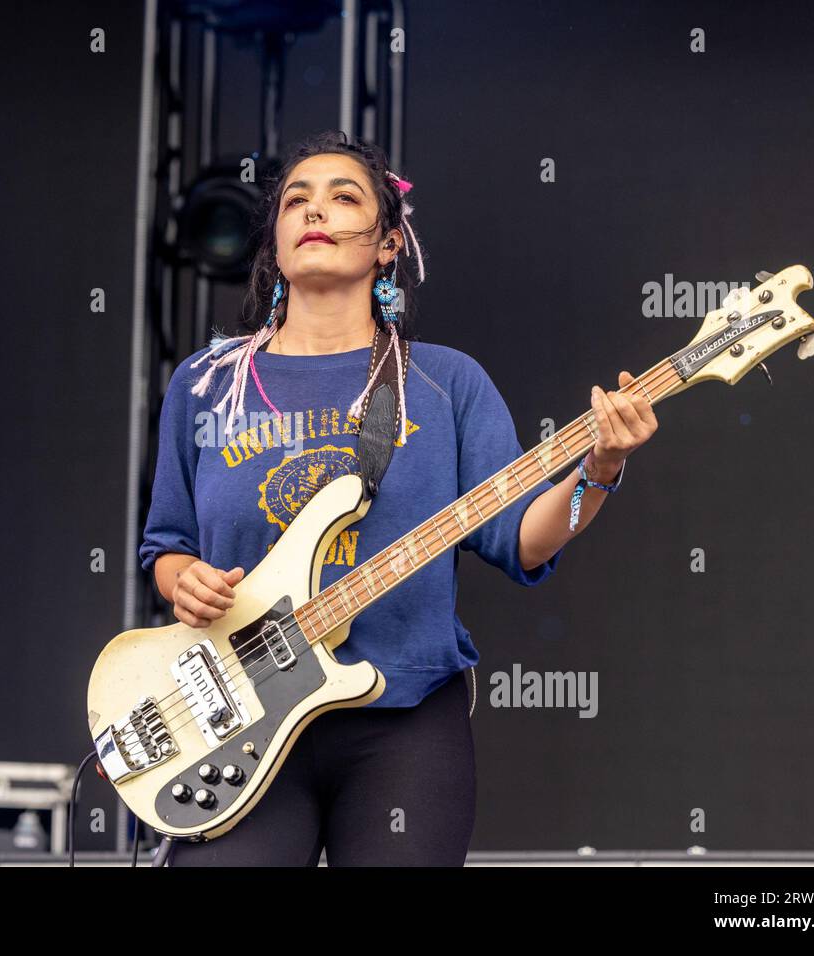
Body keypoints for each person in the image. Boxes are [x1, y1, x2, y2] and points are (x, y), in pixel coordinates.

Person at [137, 130, 657, 866]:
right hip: (238, 717)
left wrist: (600, 469)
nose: (315, 210)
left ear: (386, 245)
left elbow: (526, 538)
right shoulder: (205, 383)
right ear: (276, 242)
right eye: (296, 200)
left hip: (402, 720)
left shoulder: (444, 384)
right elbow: (166, 546)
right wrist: (179, 581)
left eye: (344, 197)